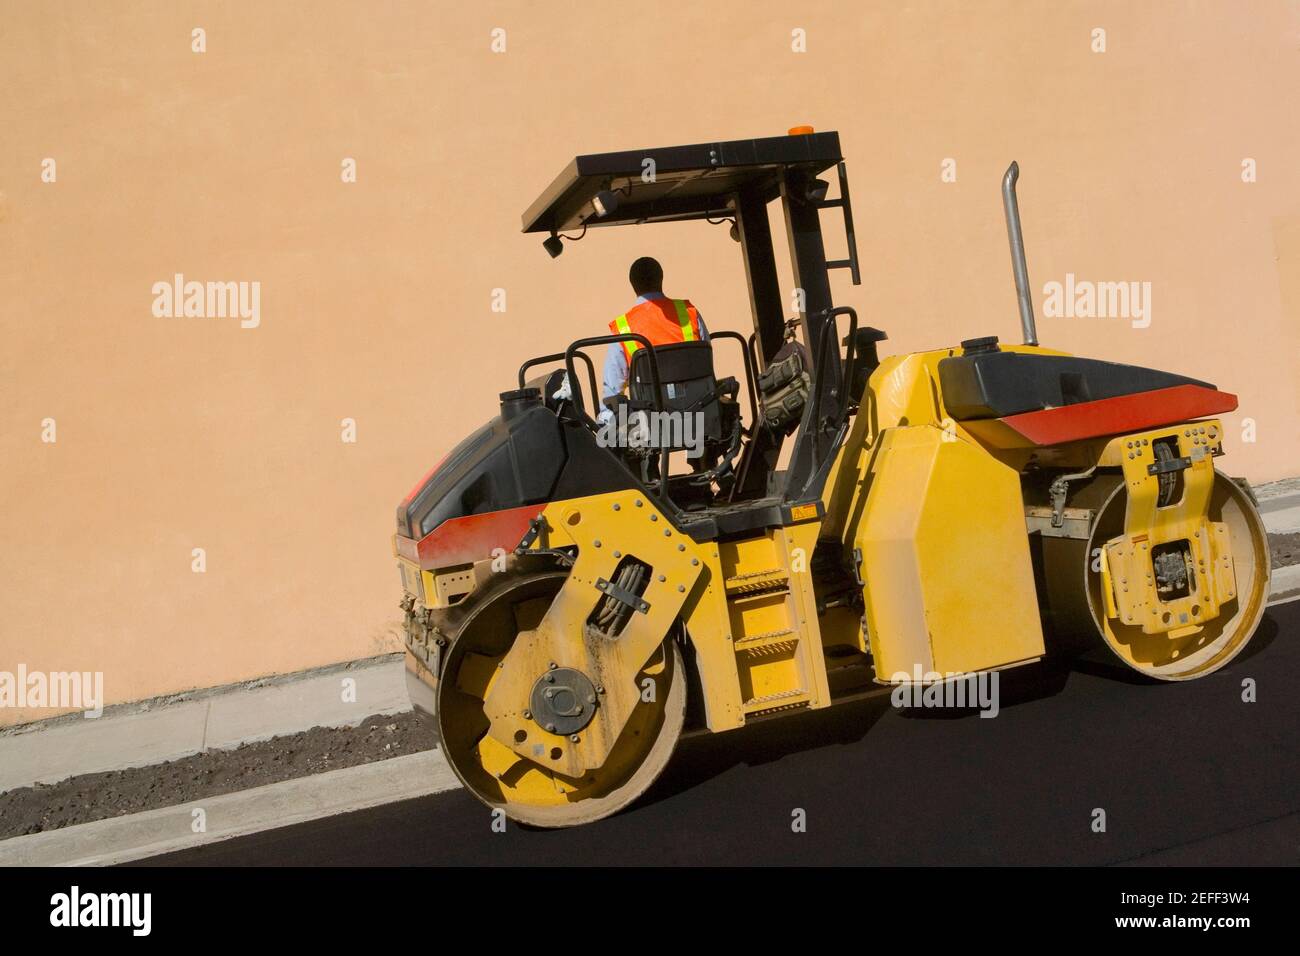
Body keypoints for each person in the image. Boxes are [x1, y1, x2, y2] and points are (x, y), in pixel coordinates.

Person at [598, 257, 708, 424]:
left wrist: (606, 419)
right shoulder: (689, 313)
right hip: (700, 412)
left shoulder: (623, 328)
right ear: (661, 278)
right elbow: (706, 359)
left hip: (652, 423)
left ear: (632, 284)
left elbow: (613, 387)